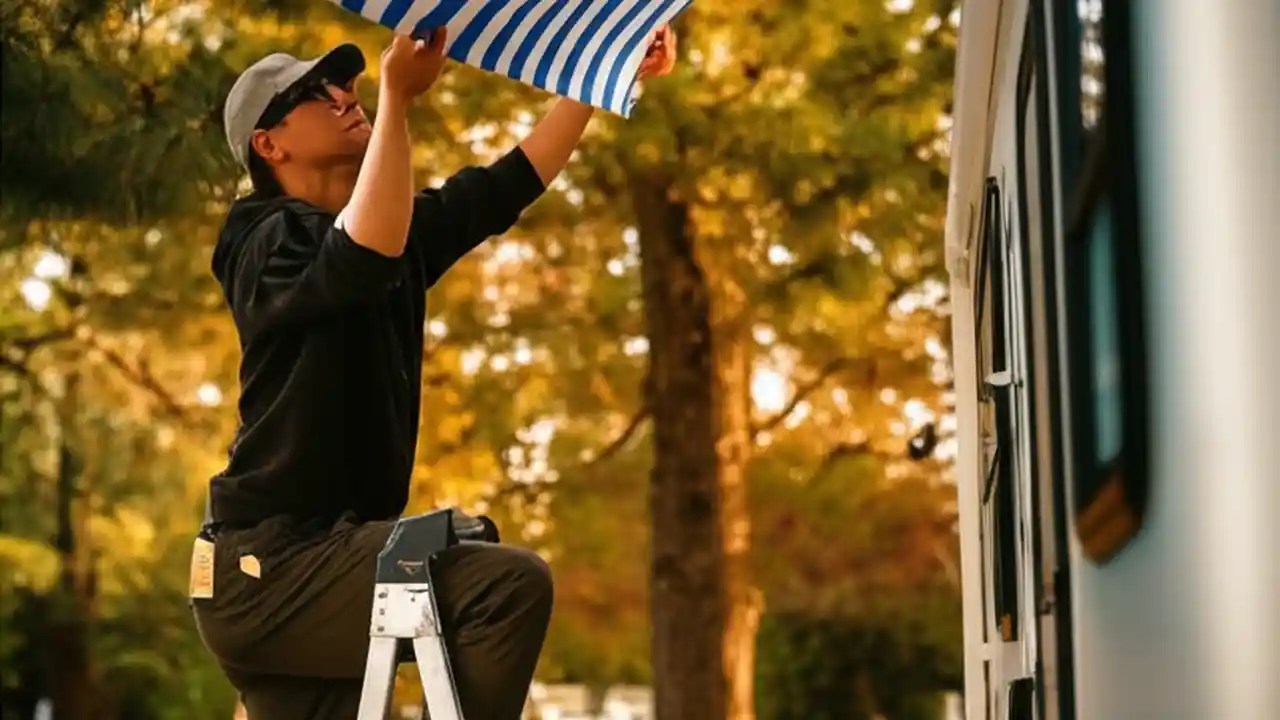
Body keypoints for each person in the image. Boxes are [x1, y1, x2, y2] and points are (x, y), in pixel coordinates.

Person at [191, 25, 676, 720]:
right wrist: (396, 97)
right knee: (506, 588)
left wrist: (604, 75)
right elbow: (360, 255)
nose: (342, 93)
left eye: (347, 82)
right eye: (313, 92)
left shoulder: (393, 237)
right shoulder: (259, 239)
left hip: (326, 563)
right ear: (269, 146)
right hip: (268, 569)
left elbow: (507, 183)